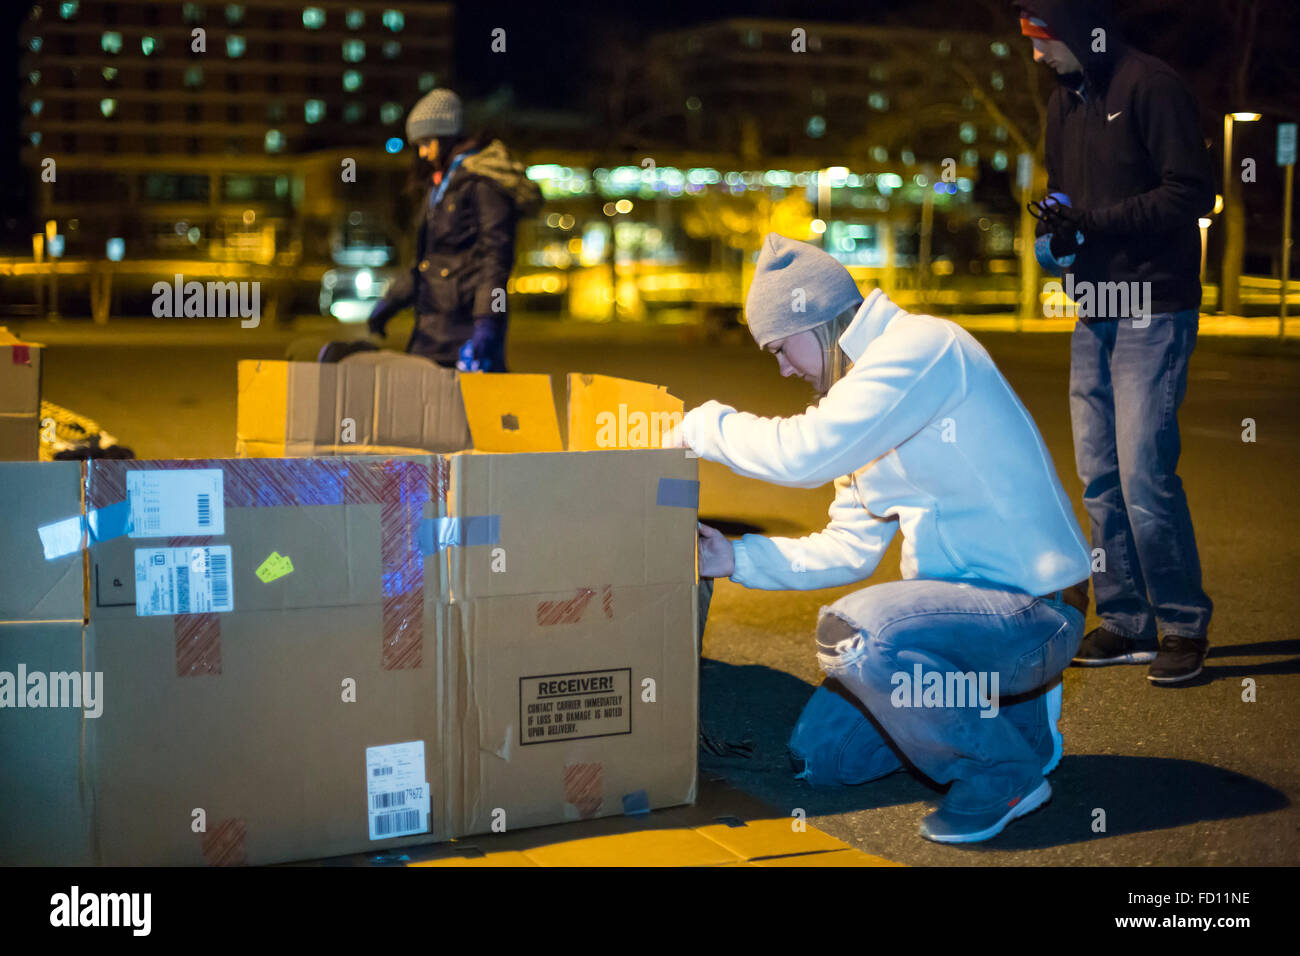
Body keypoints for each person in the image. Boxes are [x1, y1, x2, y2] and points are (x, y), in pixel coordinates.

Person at [666, 233, 1091, 843]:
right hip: (962, 623)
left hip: (1036, 611)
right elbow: (848, 547)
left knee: (857, 633)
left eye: (782, 349)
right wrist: (735, 556)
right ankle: (1010, 718)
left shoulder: (922, 348)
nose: (783, 368)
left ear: (817, 320)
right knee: (824, 758)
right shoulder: (859, 402)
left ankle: (1002, 773)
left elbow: (806, 453)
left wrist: (705, 426)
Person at [1016, 1, 1216, 683]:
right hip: (1092, 305)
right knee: (1098, 477)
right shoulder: (1062, 103)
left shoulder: (1151, 86)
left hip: (1153, 305)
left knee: (1143, 476)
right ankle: (1126, 620)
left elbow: (1191, 192)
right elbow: (1067, 199)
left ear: (1078, 30)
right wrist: (1058, 234)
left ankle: (1183, 624)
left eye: (1043, 40)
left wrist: (1097, 222)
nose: (1036, 55)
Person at [366, 88, 541, 370]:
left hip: (465, 328)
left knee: (473, 411)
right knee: (425, 408)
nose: (422, 154)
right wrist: (390, 302)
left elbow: (495, 258)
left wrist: (487, 321)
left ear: (445, 136)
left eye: (426, 143)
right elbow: (427, 262)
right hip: (431, 329)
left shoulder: (482, 183)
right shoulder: (441, 185)